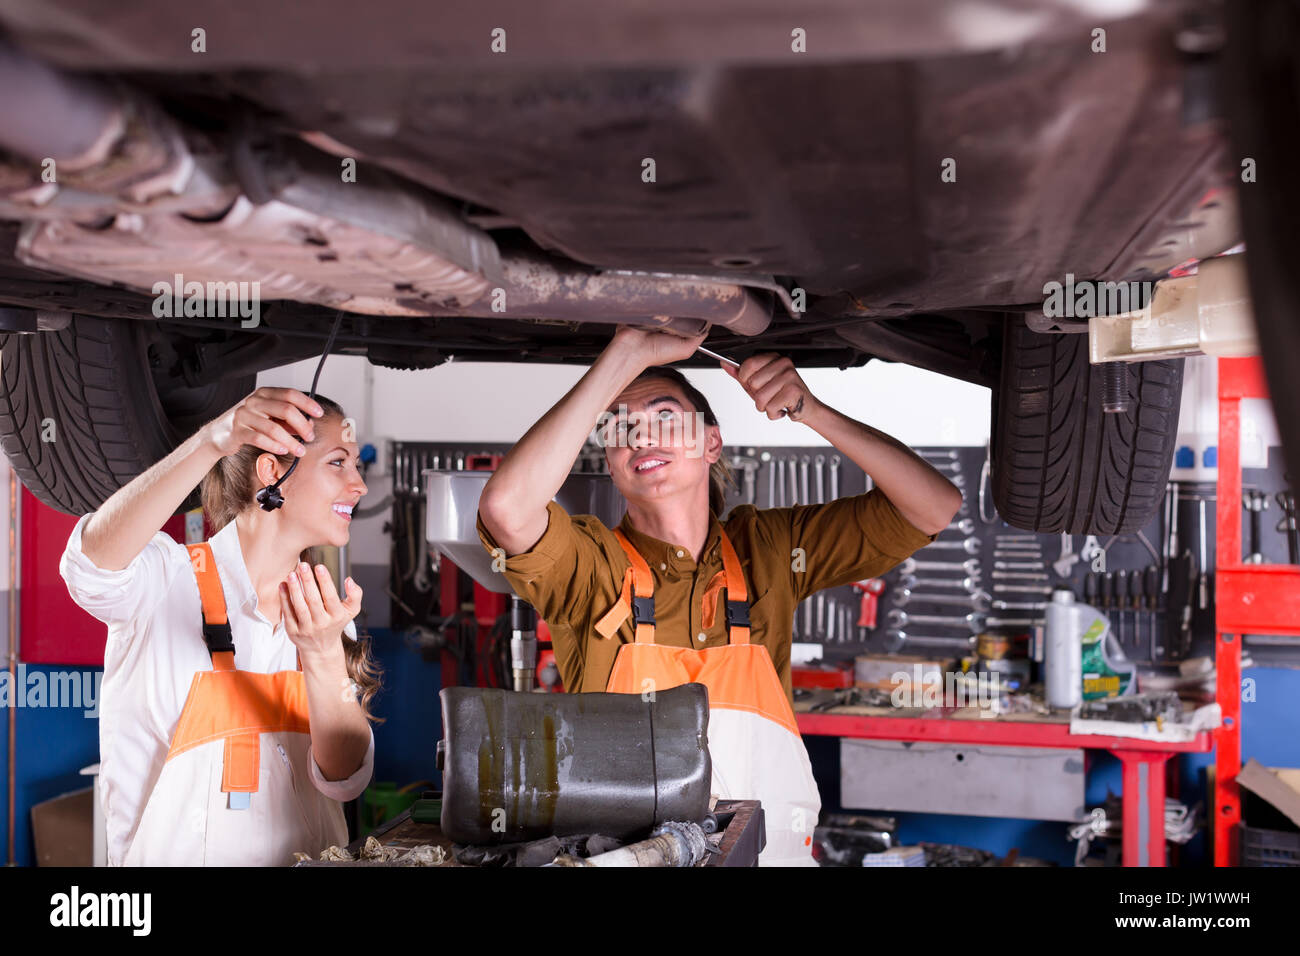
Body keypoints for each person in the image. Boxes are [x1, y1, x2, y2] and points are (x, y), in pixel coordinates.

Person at [476, 326, 963, 866]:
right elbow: (507, 509)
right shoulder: (590, 568)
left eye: (666, 417)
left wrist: (811, 410)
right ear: (611, 462)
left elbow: (933, 505)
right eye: (621, 428)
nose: (642, 437)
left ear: (712, 442)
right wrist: (625, 353)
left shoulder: (771, 550)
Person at [59, 386, 378, 866]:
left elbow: (344, 777)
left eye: (356, 465)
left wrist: (323, 654)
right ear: (273, 472)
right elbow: (88, 569)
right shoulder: (166, 581)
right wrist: (210, 441)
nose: (360, 485)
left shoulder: (323, 616)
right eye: (338, 463)